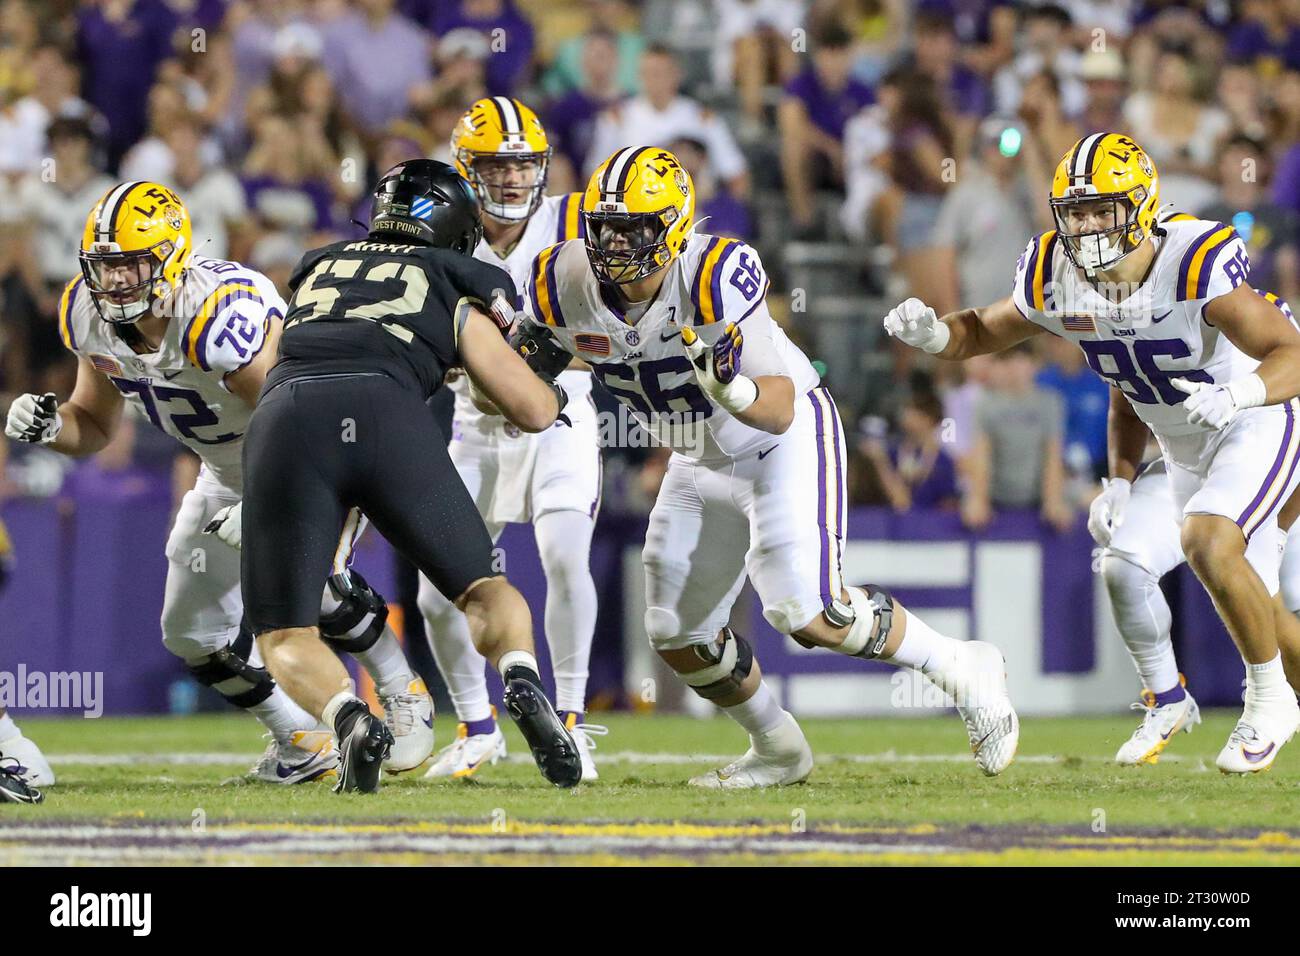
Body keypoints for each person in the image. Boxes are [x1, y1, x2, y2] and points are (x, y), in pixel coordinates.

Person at [510, 145, 1020, 787]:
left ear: (671, 224)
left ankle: (957, 664)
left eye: (632, 227)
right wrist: (471, 358)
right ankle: (778, 746)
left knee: (809, 614)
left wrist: (735, 393)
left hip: (779, 440)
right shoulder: (561, 282)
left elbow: (777, 409)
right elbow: (522, 379)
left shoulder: (712, 273)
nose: (614, 243)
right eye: (605, 226)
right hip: (696, 458)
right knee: (677, 633)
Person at [884, 134, 1300, 774]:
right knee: (1225, 592)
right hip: (1184, 440)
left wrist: (1242, 393)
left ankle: (1268, 704)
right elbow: (1100, 374)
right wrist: (936, 334)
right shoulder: (1060, 276)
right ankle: (1172, 699)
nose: (1086, 225)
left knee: (1211, 543)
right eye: (1074, 212)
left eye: (1101, 209)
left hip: (1260, 417)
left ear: (1140, 205)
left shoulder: (1190, 265)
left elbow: (1291, 353)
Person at [3, 181, 435, 785]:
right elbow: (96, 423)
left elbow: (294, 418)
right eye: (106, 266)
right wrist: (53, 426)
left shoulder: (214, 312)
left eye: (132, 264)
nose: (118, 281)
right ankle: (300, 741)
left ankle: (402, 690)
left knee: (303, 587)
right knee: (189, 633)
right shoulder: (88, 313)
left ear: (172, 258)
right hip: (227, 469)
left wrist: (265, 505)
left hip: (315, 452)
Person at [234, 159, 581, 792]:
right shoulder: (459, 274)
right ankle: (523, 679)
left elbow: (305, 343)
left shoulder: (318, 264)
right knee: (481, 588)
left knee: (284, 631)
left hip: (286, 414)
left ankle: (349, 719)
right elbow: (530, 410)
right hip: (387, 414)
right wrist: (551, 386)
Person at [418, 98, 605, 783]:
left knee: (563, 556)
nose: (514, 179)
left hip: (560, 414)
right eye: (498, 164)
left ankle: (575, 722)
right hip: (474, 424)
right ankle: (476, 727)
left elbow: (610, 341)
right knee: (436, 591)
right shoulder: (439, 233)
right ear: (467, 168)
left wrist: (538, 359)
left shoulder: (576, 224)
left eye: (524, 164)